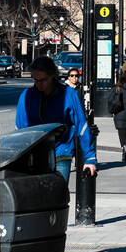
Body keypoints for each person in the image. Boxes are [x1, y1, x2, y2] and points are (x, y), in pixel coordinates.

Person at [15, 55, 97, 183]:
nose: (39, 84)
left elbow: (81, 125)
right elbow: (20, 129)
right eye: (35, 80)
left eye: (43, 80)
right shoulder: (27, 96)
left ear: (52, 76)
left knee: (59, 194)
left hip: (61, 151)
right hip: (35, 153)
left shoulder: (69, 94)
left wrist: (90, 158)